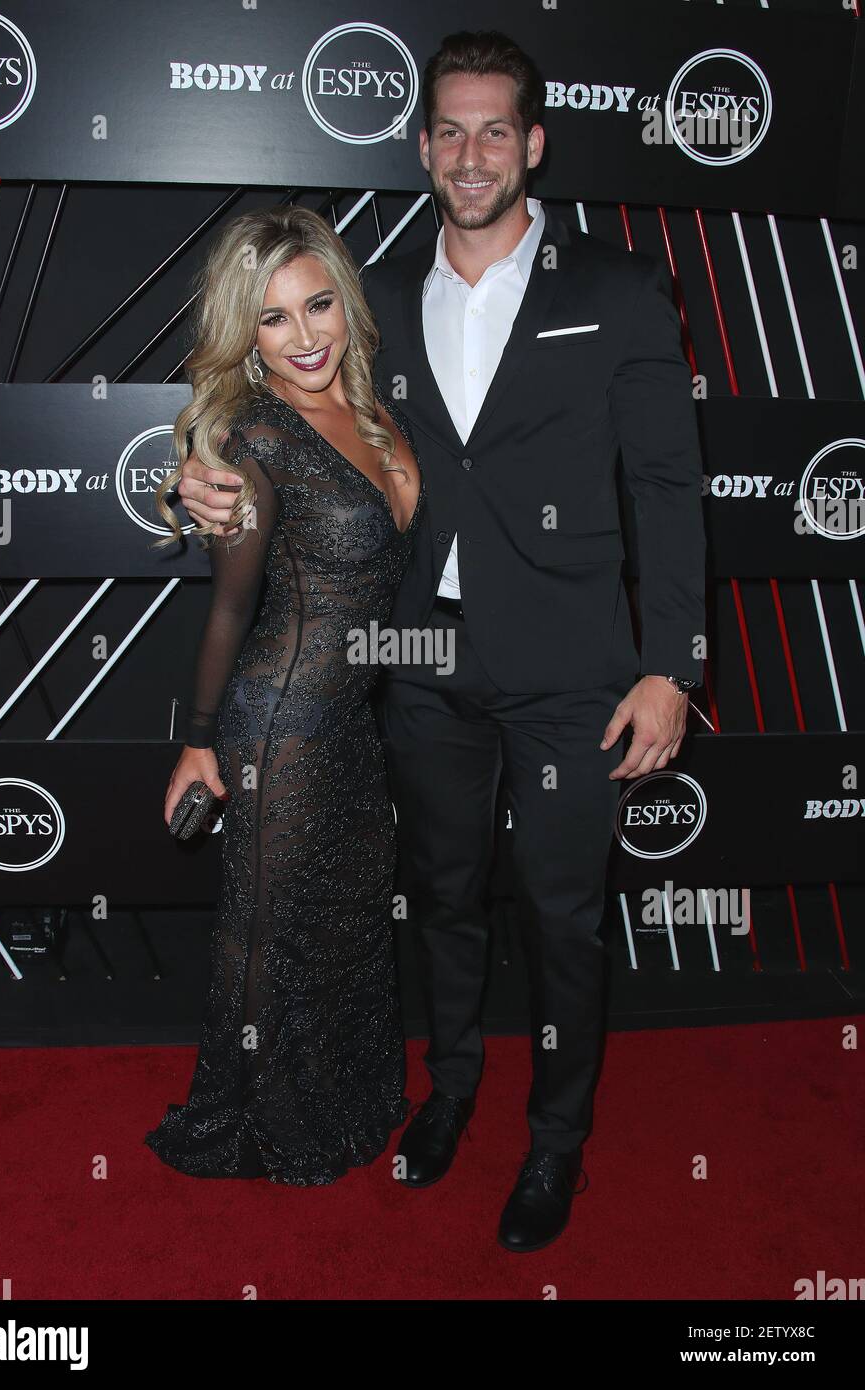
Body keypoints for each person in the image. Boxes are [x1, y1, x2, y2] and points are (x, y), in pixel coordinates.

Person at [177, 31, 706, 1248]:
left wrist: (672, 665)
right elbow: (273, 414)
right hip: (420, 666)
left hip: (577, 670)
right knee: (445, 898)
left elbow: (670, 491)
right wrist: (189, 477)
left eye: (494, 131)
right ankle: (452, 1093)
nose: (471, 155)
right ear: (422, 148)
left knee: (565, 917)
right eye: (448, 132)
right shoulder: (377, 308)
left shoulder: (617, 290)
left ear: (532, 143)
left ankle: (556, 1145)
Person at [144, 205, 423, 1186]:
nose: (304, 336)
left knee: (340, 929)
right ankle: (249, 1123)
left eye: (318, 305)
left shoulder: (376, 407)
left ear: (346, 303)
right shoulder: (254, 437)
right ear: (244, 332)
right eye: (272, 318)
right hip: (280, 726)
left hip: (350, 726)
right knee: (269, 933)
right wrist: (201, 739)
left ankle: (343, 1102)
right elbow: (228, 608)